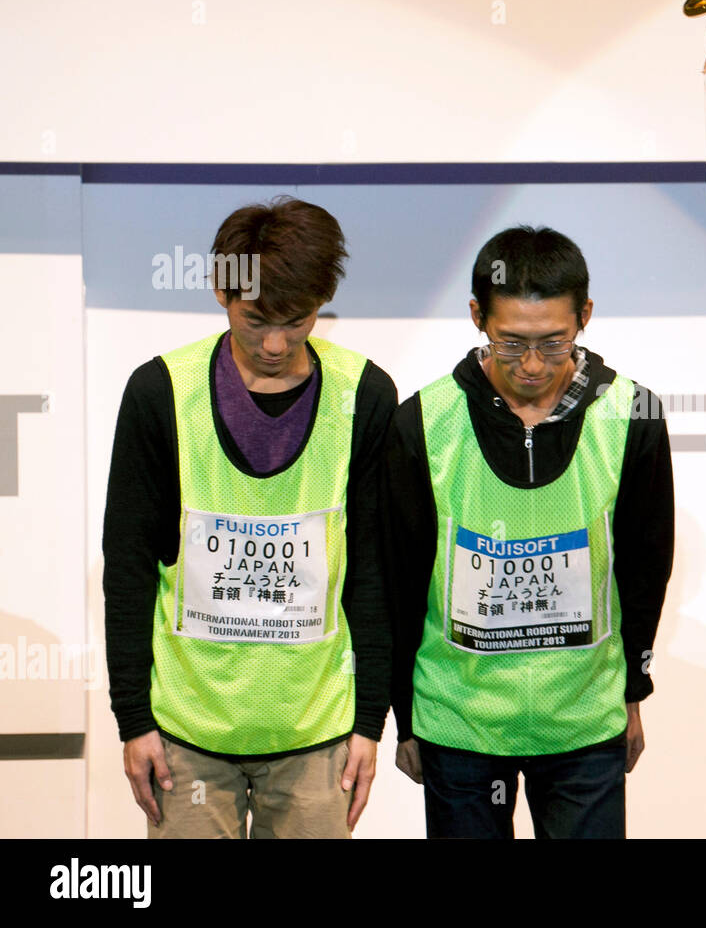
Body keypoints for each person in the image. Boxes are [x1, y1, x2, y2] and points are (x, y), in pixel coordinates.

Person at [103, 196, 396, 838]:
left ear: (324, 300)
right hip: (186, 733)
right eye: (254, 318)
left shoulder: (365, 395)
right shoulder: (160, 393)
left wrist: (370, 721)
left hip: (317, 732)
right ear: (219, 290)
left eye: (297, 321)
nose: (273, 343)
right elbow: (127, 567)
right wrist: (133, 720)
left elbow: (373, 570)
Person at [384, 225, 674, 839]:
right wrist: (404, 718)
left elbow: (646, 568)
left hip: (583, 724)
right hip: (458, 722)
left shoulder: (632, 415)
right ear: (476, 318)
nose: (534, 365)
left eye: (554, 343)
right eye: (511, 344)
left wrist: (632, 692)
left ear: (586, 317)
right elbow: (399, 578)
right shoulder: (423, 421)